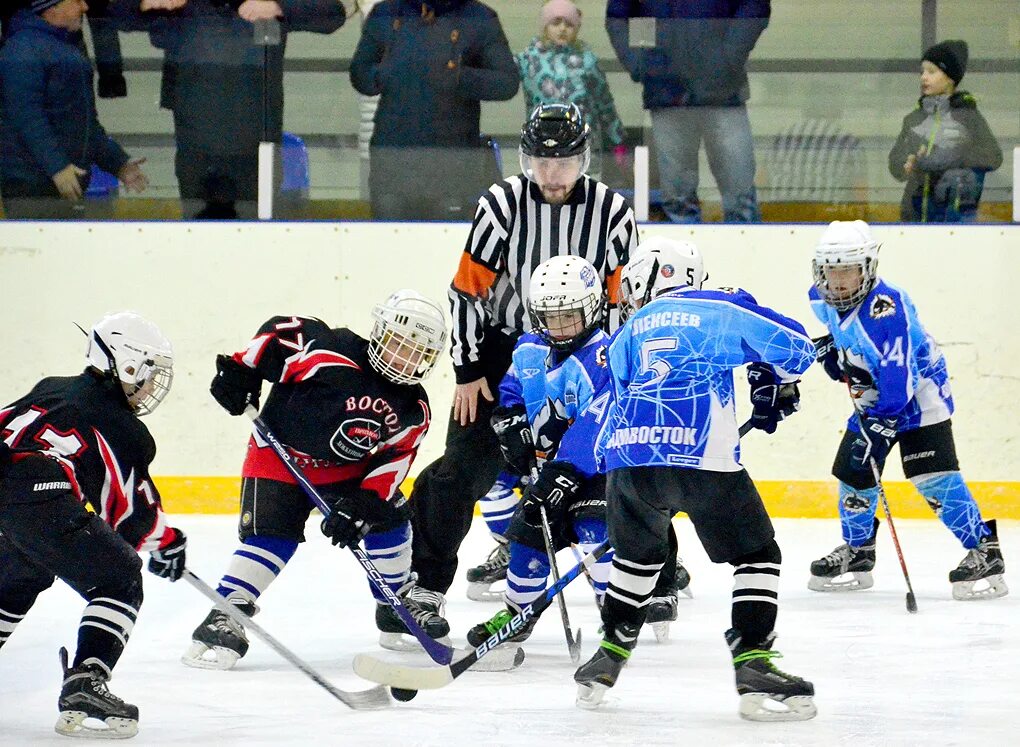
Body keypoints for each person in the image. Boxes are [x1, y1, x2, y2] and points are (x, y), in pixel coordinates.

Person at [406, 102, 637, 633]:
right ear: (525, 158)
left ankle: (652, 569)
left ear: (584, 160)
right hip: (502, 348)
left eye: (564, 162)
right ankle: (426, 586)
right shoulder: (502, 203)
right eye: (541, 161)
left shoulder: (612, 211)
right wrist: (467, 369)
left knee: (623, 457)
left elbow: (624, 299)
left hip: (587, 347)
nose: (551, 174)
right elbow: (467, 290)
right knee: (460, 471)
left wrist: (623, 369)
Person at [573, 237, 818, 722]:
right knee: (757, 555)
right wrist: (774, 382)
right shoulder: (719, 305)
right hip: (702, 455)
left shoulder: (627, 332)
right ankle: (753, 660)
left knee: (639, 559)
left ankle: (609, 653)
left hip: (628, 460)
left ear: (646, 280)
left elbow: (611, 402)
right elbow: (796, 346)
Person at [182, 290, 451, 670]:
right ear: (380, 333)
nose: (404, 358)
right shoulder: (330, 348)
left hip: (348, 473)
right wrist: (242, 370)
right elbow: (277, 333)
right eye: (399, 344)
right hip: (280, 456)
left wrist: (362, 505)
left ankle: (394, 602)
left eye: (417, 352)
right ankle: (227, 611)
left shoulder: (413, 407)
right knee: (272, 535)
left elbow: (396, 460)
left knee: (389, 518)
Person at [0, 312, 185, 739]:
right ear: (128, 364)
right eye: (149, 373)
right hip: (34, 488)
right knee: (119, 577)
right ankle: (87, 682)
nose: (151, 386)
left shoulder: (53, 386)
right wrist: (168, 541)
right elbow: (129, 509)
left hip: (14, 487)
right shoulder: (125, 426)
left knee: (24, 570)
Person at [806, 220, 1007, 600]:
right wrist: (835, 352)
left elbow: (900, 375)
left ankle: (985, 549)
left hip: (919, 394)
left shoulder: (887, 309)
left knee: (931, 475)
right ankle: (858, 550)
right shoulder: (820, 299)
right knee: (854, 470)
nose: (837, 281)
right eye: (830, 270)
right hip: (877, 394)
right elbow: (847, 340)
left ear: (867, 268)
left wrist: (883, 421)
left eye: (846, 270)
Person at [465, 255, 615, 651]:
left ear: (593, 308)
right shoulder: (528, 348)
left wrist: (566, 474)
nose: (560, 327)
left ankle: (615, 613)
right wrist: (510, 422)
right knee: (528, 535)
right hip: (546, 471)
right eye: (550, 317)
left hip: (594, 471)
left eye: (570, 316)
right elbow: (512, 391)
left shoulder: (605, 357)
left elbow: (595, 426)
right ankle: (518, 613)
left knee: (594, 529)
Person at [113, 0, 345, 219]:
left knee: (256, 243)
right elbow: (114, 13)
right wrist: (145, 2)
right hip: (196, 146)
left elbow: (333, 14)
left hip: (256, 144)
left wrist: (277, 5)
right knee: (198, 240)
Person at [350, 0, 519, 220]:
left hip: (452, 164)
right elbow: (359, 72)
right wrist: (387, 74)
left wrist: (459, 77)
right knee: (389, 242)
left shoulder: (479, 17)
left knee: (446, 245)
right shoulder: (387, 13)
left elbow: (507, 82)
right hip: (393, 162)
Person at [606, 0, 770, 223]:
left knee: (740, 197)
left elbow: (754, 5)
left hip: (722, 93)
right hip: (669, 94)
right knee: (678, 200)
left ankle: (746, 257)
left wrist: (728, 56)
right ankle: (683, 258)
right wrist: (641, 64)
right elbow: (618, 15)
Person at [0, 0, 148, 220]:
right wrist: (57, 167)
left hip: (64, 184)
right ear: (52, 8)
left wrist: (119, 164)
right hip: (32, 188)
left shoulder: (65, 49)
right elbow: (26, 117)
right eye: (76, 1)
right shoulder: (22, 49)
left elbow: (85, 125)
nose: (85, 7)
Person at [888, 40, 1002, 223]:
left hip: (954, 217)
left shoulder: (968, 117)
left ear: (950, 78)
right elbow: (895, 164)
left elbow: (993, 157)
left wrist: (956, 159)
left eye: (931, 72)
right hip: (913, 218)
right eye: (922, 71)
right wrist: (906, 162)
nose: (924, 77)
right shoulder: (913, 119)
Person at [517, 0, 625, 181]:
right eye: (556, 22)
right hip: (543, 146)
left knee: (584, 196)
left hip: (581, 145)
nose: (562, 29)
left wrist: (617, 139)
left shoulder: (586, 60)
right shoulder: (528, 60)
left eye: (569, 24)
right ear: (545, 26)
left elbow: (604, 102)